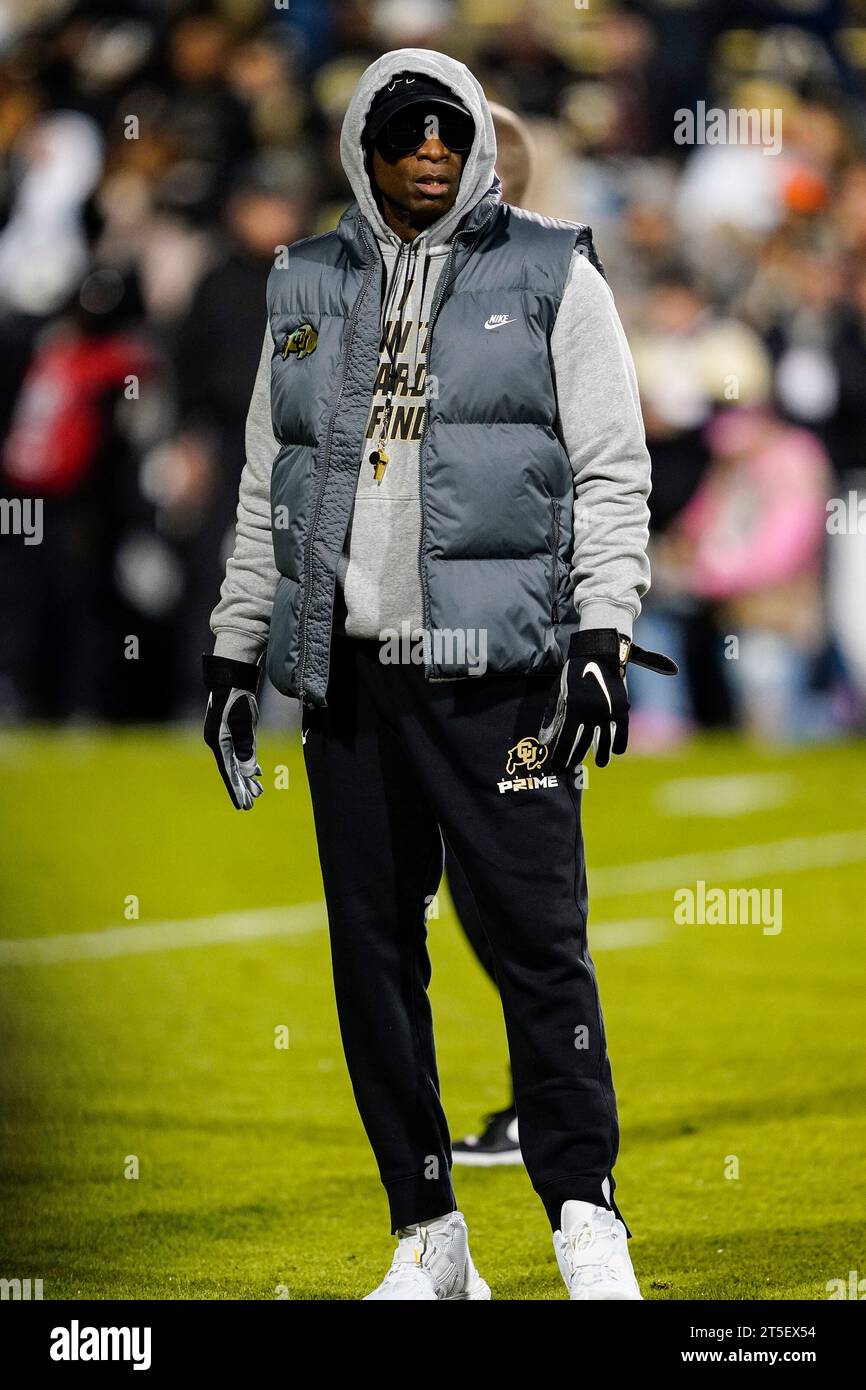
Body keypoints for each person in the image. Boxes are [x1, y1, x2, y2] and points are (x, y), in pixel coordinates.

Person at [203, 48, 673, 1301]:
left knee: (537, 949)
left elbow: (612, 469)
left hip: (500, 673)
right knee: (370, 958)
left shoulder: (552, 270)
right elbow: (270, 484)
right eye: (405, 129)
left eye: (449, 132)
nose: (429, 151)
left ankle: (585, 1213)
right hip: (350, 680)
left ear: (474, 146)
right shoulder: (300, 280)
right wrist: (234, 648)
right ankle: (430, 1232)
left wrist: (601, 636)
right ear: (361, 141)